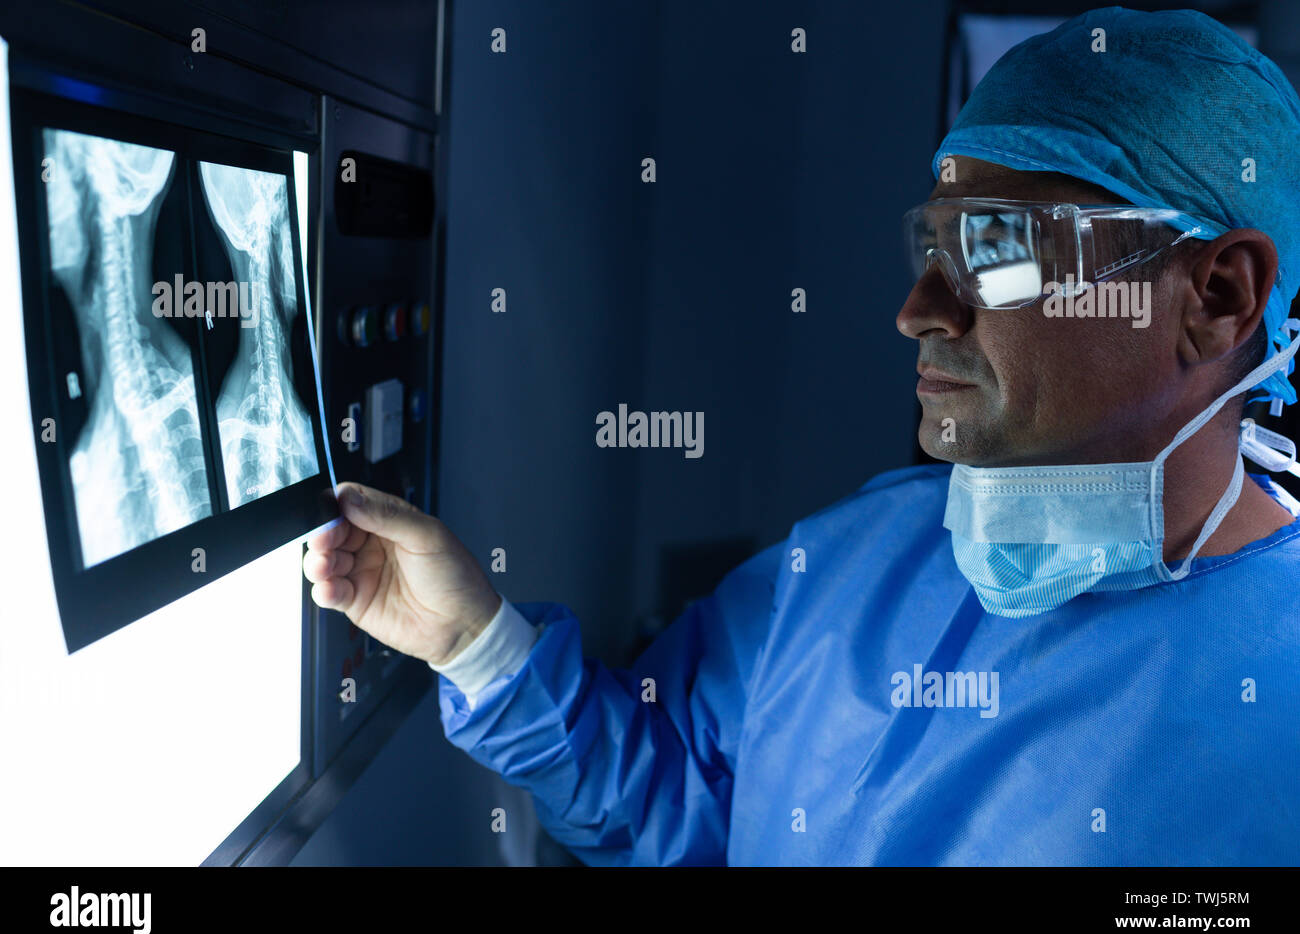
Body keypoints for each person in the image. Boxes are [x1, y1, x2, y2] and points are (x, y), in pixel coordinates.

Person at [303, 7, 1300, 864]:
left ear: (1216, 293)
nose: (917, 308)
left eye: (996, 244)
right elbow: (675, 792)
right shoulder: (858, 556)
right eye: (932, 244)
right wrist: (475, 642)